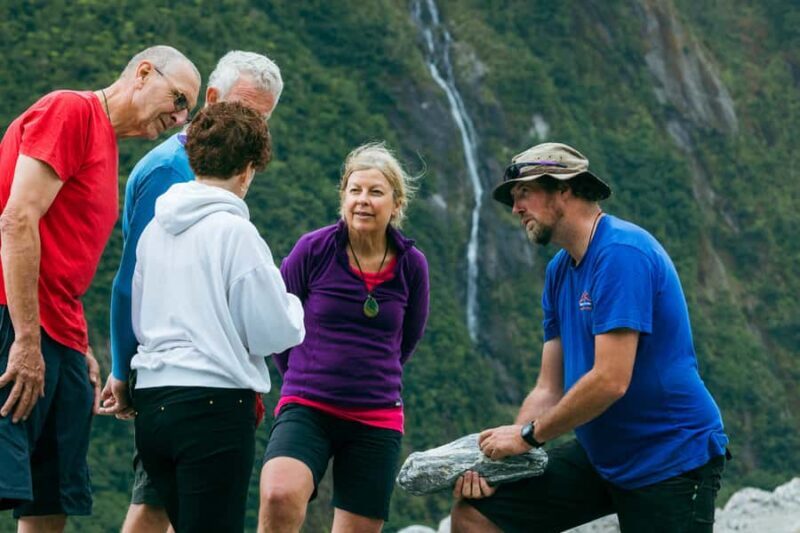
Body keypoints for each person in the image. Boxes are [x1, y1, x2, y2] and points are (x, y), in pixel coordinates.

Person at [450, 142, 729, 532]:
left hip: (669, 457)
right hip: (603, 456)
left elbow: (611, 380)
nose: (516, 209)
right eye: (513, 198)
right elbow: (549, 388)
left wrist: (529, 437)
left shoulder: (621, 254)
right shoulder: (559, 271)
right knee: (476, 514)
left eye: (524, 193)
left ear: (564, 189)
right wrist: (501, 463)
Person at [0, 45, 199, 531]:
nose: (178, 118)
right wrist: (27, 339)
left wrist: (75, 343)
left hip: (60, 338)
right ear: (143, 72)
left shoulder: (106, 147)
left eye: (186, 111)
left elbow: (63, 250)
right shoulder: (70, 111)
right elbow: (17, 219)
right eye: (177, 99)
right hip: (16, 325)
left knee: (50, 504)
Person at [98, 50, 284, 533]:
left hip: (171, 382)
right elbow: (131, 280)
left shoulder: (208, 167)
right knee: (155, 506)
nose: (253, 127)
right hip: (193, 385)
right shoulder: (172, 170)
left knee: (159, 506)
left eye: (262, 119)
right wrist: (123, 367)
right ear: (213, 99)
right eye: (244, 112)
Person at [130, 101, 305, 532]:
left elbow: (139, 315)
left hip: (153, 403)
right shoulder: (235, 233)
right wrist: (295, 308)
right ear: (247, 170)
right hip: (212, 407)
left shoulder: (156, 230)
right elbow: (271, 330)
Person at [258, 142, 430, 533]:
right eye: (355, 191)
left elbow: (407, 340)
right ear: (343, 197)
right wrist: (303, 373)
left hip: (376, 414)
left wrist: (369, 375)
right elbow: (279, 320)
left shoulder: (412, 266)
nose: (363, 201)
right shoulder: (313, 250)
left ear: (396, 203)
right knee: (278, 494)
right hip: (307, 405)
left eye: (375, 192)